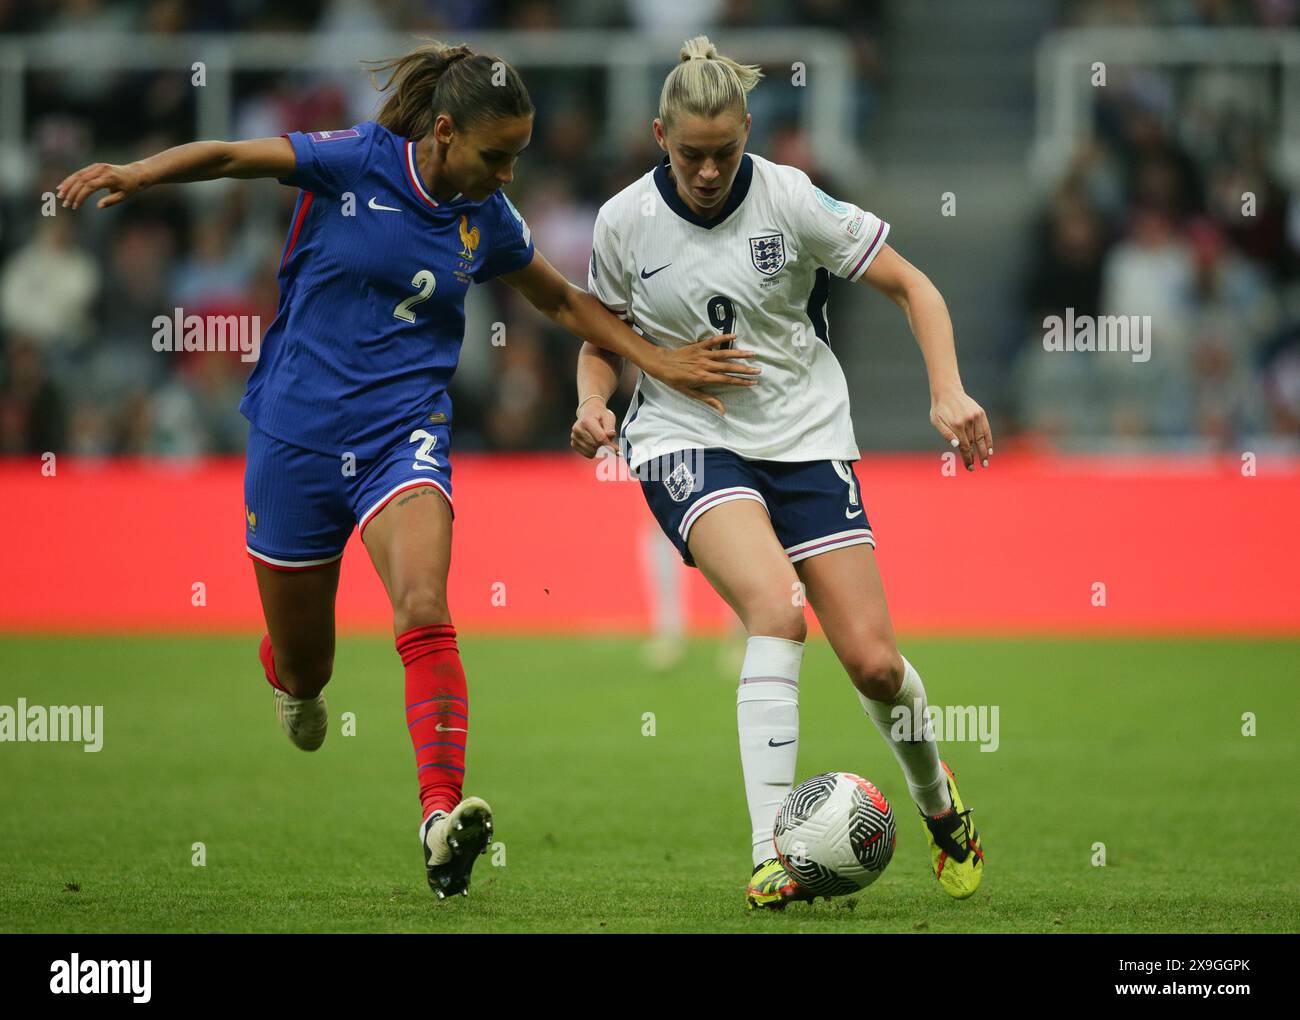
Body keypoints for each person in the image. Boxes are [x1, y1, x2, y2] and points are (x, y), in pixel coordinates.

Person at [58, 41, 757, 900]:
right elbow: (234, 156)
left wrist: (661, 359)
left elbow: (563, 301)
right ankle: (291, 677)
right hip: (292, 436)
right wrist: (138, 174)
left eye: (518, 158)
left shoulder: (486, 219)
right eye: (494, 155)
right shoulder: (354, 160)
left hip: (404, 434)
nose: (507, 175)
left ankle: (437, 817)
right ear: (445, 130)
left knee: (424, 606)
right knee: (308, 668)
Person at [570, 36, 990, 909]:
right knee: (775, 608)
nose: (711, 169)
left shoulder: (791, 198)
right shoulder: (623, 223)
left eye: (726, 151)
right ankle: (770, 852)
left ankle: (939, 804)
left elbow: (916, 287)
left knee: (875, 664)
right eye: (692, 154)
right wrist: (593, 401)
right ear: (659, 136)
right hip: (685, 434)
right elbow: (600, 337)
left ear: (749, 132)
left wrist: (946, 389)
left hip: (804, 434)